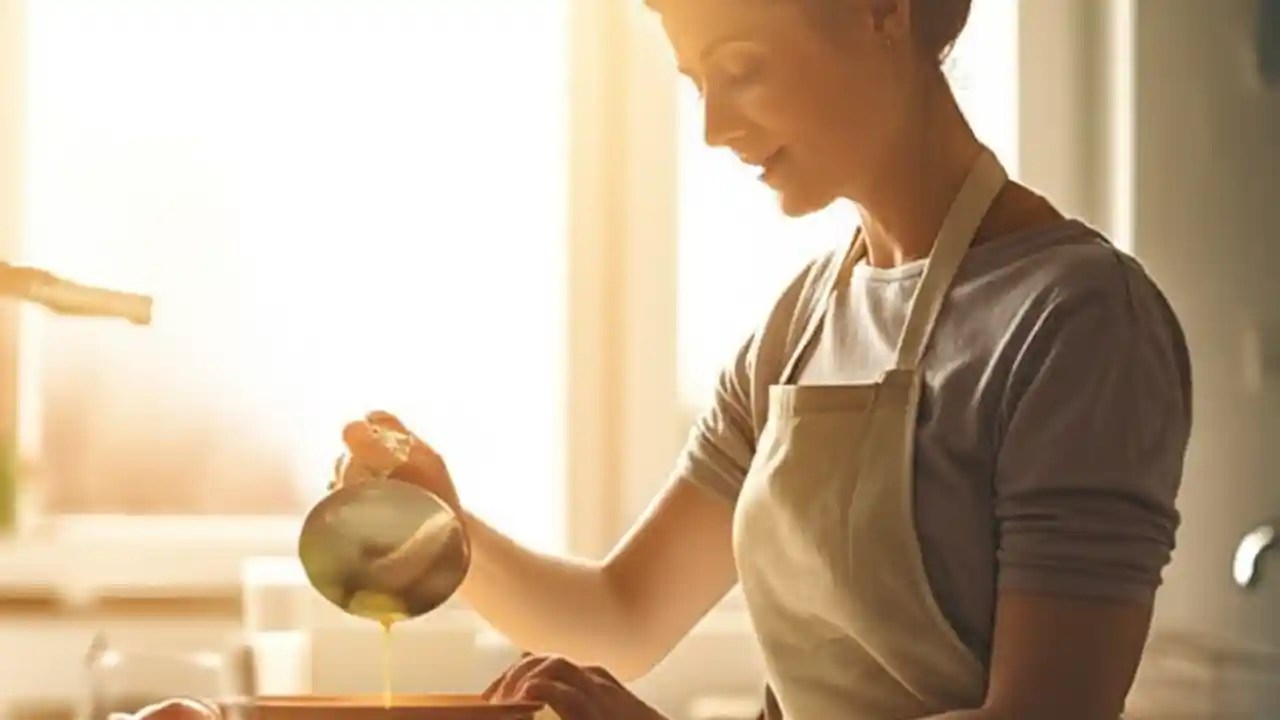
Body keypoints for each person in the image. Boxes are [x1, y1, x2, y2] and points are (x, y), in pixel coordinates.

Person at [339, 0, 1193, 718]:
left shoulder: (1079, 322)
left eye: (740, 69)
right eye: (696, 84)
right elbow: (621, 616)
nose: (712, 128)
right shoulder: (799, 326)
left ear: (883, 11)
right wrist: (443, 529)